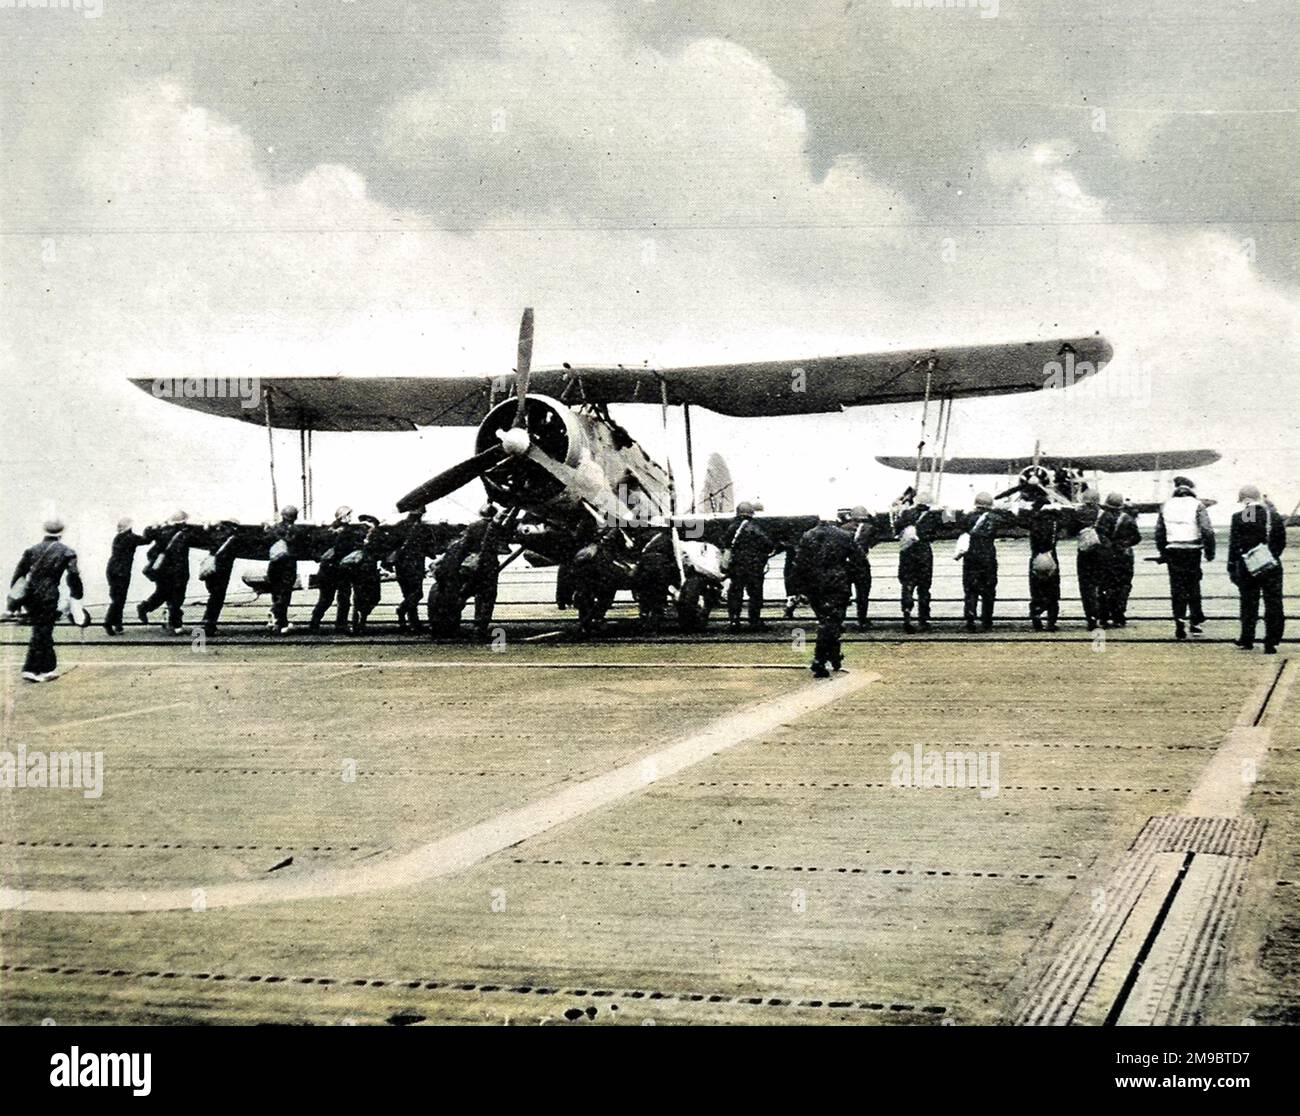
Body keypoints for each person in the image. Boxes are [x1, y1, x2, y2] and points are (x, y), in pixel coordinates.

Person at [10, 517, 84, 682]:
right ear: (62, 532)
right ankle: (31, 668)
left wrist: (15, 600)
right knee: (42, 631)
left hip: (30, 595)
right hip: (49, 594)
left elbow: (19, 574)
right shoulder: (67, 551)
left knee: (42, 629)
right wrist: (77, 595)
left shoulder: (32, 550)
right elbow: (73, 575)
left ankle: (47, 668)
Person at [790, 519, 864, 678]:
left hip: (814, 585)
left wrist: (799, 588)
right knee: (832, 621)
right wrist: (850, 576)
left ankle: (834, 656)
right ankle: (820, 659)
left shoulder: (808, 535)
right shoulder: (843, 536)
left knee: (826, 620)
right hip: (837, 583)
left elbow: (799, 563)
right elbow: (859, 559)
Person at [1227, 485, 1286, 654]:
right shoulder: (1273, 516)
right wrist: (1269, 555)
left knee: (1249, 603)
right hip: (1271, 564)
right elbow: (1280, 543)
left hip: (1249, 565)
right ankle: (1271, 642)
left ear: (1244, 500)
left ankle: (1247, 639)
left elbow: (1239, 543)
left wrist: (1232, 566)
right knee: (1273, 602)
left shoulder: (1246, 515)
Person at [428, 505, 502, 640]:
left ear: (480, 513)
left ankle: (450, 625)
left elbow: (463, 545)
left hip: (470, 565)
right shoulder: (498, 527)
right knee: (486, 598)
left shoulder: (474, 526)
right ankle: (479, 629)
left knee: (461, 594)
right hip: (489, 566)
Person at [1155, 475, 1215, 640]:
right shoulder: (1198, 505)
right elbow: (1207, 530)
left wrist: (1163, 552)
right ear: (1190, 489)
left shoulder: (1165, 506)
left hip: (1173, 550)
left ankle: (1179, 621)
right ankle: (1195, 623)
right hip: (1192, 550)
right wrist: (1210, 552)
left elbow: (1159, 532)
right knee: (1193, 585)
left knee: (1177, 588)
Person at [138, 510, 192, 634]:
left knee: (162, 594)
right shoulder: (182, 533)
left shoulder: (161, 531)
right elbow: (179, 556)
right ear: (183, 520)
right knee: (176, 598)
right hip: (177, 571)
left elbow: (148, 537)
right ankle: (176, 626)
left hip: (161, 570)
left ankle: (144, 607)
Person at [722, 501, 773, 631]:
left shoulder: (732, 528)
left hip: (737, 567)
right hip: (754, 568)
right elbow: (768, 545)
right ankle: (754, 621)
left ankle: (734, 621)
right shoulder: (756, 528)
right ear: (751, 514)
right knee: (755, 595)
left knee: (735, 594)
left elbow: (726, 546)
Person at [895, 490, 942, 632]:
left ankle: (907, 614)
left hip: (907, 552)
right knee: (924, 587)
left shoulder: (906, 514)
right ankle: (924, 619)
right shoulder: (933, 516)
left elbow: (897, 527)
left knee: (907, 585)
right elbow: (946, 525)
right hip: (924, 551)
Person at [1096, 492, 1142, 628]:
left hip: (1108, 557)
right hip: (1125, 556)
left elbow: (1100, 536)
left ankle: (1104, 615)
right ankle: (1119, 615)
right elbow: (1137, 537)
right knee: (1123, 585)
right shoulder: (1127, 518)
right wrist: (1125, 544)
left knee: (1105, 585)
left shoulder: (1103, 518)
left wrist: (1110, 547)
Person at [309, 506, 358, 634]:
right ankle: (341, 625)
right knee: (344, 599)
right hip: (342, 570)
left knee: (325, 599)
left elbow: (315, 551)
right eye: (348, 515)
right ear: (343, 516)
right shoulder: (347, 531)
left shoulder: (325, 531)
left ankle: (314, 622)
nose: (350, 518)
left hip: (327, 570)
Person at [633, 517, 680, 633]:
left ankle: (644, 617)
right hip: (660, 569)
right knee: (658, 595)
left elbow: (635, 553)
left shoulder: (643, 537)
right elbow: (672, 557)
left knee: (645, 594)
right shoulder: (667, 539)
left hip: (644, 567)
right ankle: (656, 622)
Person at [961, 492, 999, 632]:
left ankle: (970, 616)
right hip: (988, 556)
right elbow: (1012, 518)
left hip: (971, 556)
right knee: (989, 589)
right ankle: (987, 620)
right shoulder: (994, 518)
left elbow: (948, 521)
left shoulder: (967, 518)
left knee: (970, 589)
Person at [103, 517, 146, 635]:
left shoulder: (118, 537)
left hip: (111, 569)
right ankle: (108, 622)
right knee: (119, 599)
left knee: (116, 597)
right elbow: (146, 540)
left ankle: (118, 624)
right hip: (122, 572)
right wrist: (152, 528)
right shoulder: (130, 538)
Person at [393, 506, 432, 633]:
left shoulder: (400, 525)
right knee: (417, 594)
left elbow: (392, 544)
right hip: (415, 565)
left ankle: (410, 623)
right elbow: (429, 548)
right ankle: (402, 611)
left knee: (408, 594)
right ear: (421, 513)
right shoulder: (423, 528)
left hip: (400, 565)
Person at [200, 520, 241, 638]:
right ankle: (208, 625)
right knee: (217, 598)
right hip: (222, 572)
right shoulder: (233, 539)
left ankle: (207, 622)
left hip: (211, 570)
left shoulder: (214, 536)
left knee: (213, 596)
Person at [266, 505, 303, 634]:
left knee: (276, 593)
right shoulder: (296, 530)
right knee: (285, 593)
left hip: (273, 565)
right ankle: (275, 612)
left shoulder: (273, 528)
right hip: (288, 565)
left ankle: (280, 623)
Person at [1027, 499, 1061, 632]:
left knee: (1036, 590)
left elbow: (1019, 519)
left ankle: (1036, 614)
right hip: (1051, 556)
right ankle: (1051, 622)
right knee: (1053, 591)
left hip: (1036, 557)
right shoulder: (1055, 522)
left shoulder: (1033, 521)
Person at [844, 506, 879, 629]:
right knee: (863, 594)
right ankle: (862, 620)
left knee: (843, 594)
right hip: (861, 563)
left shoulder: (843, 529)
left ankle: (840, 620)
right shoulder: (869, 528)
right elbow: (873, 543)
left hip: (846, 564)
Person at [1075, 490, 1105, 631]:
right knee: (1101, 584)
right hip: (1101, 552)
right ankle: (1103, 615)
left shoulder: (1077, 513)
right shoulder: (1103, 514)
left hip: (1084, 552)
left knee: (1086, 586)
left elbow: (1069, 530)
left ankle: (1090, 617)